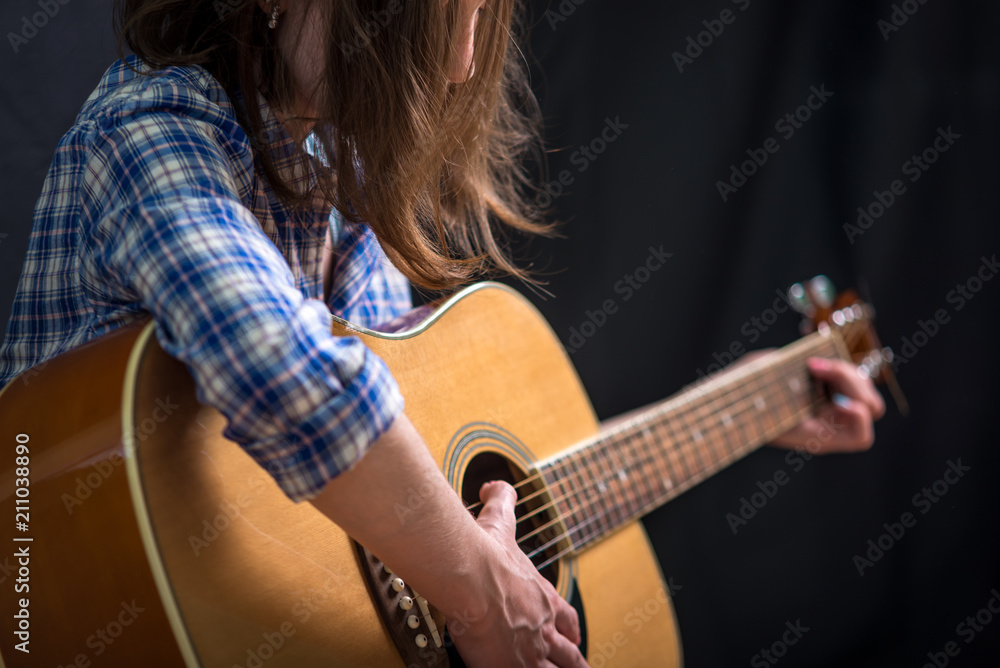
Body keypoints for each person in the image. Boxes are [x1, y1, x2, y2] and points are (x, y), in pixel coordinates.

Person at [0, 1, 884, 665]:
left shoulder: (332, 188)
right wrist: (476, 584)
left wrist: (750, 406)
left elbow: (454, 489)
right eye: (440, 11)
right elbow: (283, 370)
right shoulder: (150, 133)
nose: (462, 64)